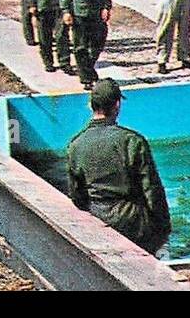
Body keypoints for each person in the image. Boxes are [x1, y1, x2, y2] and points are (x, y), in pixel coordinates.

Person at [67, 79, 172, 255]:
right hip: (133, 224)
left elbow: (77, 196)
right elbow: (152, 191)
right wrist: (164, 230)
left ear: (91, 105)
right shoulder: (132, 141)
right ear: (117, 105)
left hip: (97, 219)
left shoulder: (75, 145)